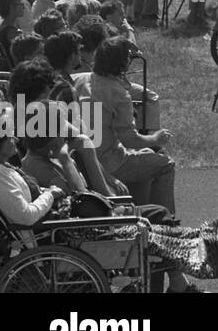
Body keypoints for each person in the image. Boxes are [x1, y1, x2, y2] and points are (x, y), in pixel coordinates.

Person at [74, 35, 176, 212]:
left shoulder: (81, 80)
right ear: (121, 63)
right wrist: (155, 138)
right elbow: (130, 140)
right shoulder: (119, 94)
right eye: (127, 56)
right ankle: (166, 220)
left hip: (84, 157)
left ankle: (141, 208)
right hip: (110, 161)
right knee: (165, 164)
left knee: (144, 155)